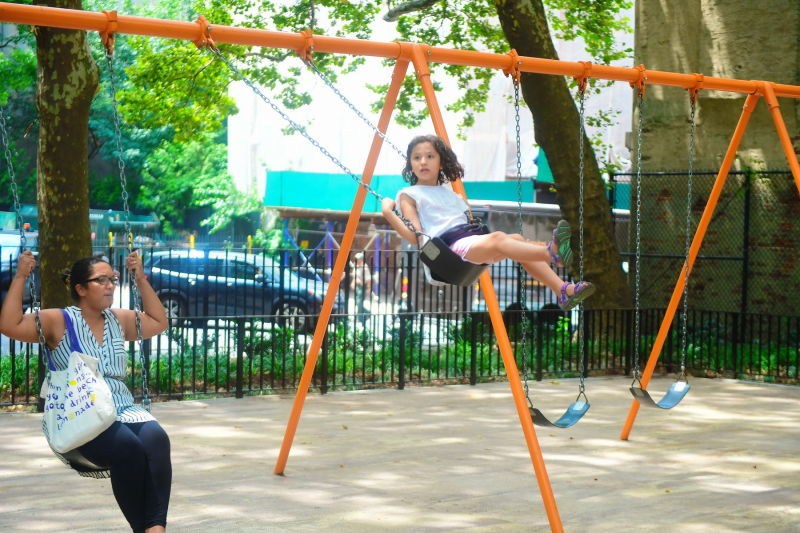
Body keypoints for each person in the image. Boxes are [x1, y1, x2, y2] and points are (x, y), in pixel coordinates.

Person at [0, 250, 171, 533]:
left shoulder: (119, 319)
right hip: (81, 410)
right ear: (80, 288)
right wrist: (20, 276)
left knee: (157, 439)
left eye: (113, 279)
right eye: (100, 280)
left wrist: (139, 278)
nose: (110, 285)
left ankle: (156, 528)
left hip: (123, 408)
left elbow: (159, 322)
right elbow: (10, 325)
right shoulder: (58, 320)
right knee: (127, 448)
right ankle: (146, 529)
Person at [381, 134, 596, 310]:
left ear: (441, 161)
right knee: (498, 238)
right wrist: (388, 213)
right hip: (446, 252)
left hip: (469, 242)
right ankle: (552, 253)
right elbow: (414, 236)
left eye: (429, 156)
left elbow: (470, 224)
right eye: (417, 158)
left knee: (516, 238)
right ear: (411, 163)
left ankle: (564, 291)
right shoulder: (409, 194)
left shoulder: (453, 195)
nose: (423, 162)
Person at [349, 252, 372, 324]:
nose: (357, 260)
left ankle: (359, 318)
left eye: (359, 259)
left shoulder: (364, 267)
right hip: (357, 286)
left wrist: (368, 288)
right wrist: (353, 283)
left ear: (361, 259)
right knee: (357, 302)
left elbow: (368, 279)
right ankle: (367, 313)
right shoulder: (356, 266)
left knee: (359, 302)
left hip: (362, 286)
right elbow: (355, 276)